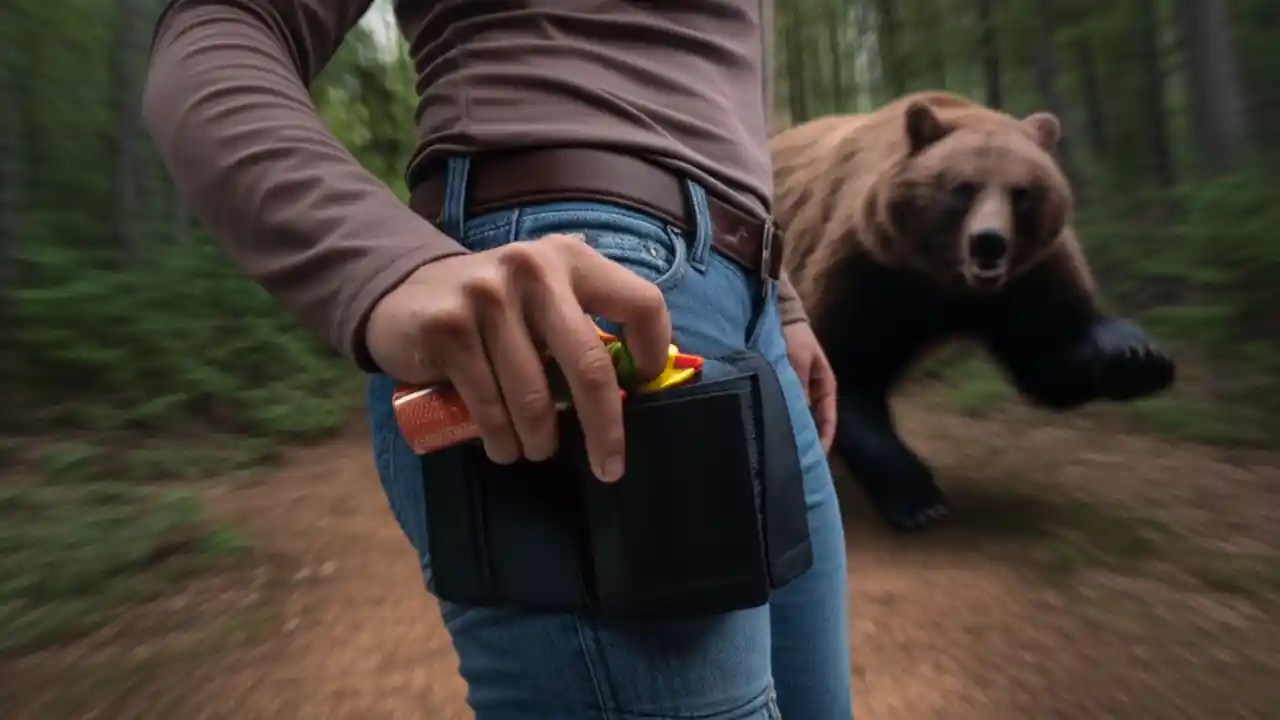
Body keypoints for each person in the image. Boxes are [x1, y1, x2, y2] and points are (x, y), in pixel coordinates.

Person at [143, 1, 851, 717]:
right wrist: (388, 266)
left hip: (746, 302)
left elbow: (708, 97)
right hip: (571, 292)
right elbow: (220, 26)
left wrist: (776, 296)